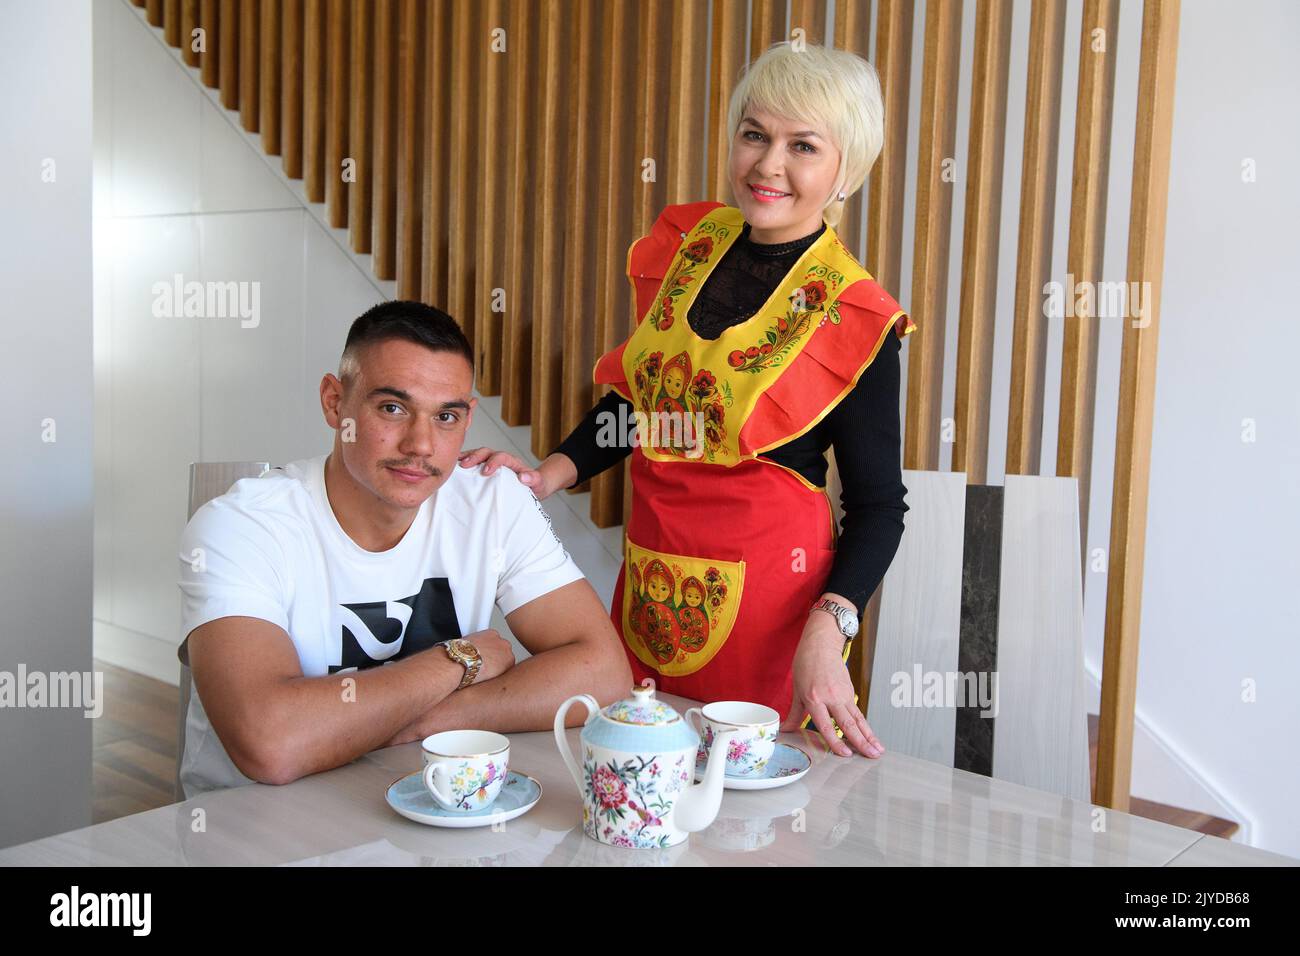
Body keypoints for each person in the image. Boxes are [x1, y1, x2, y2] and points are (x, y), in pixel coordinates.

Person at [459, 43, 916, 760]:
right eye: (754, 133)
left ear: (845, 169)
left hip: (772, 610)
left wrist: (831, 627)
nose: (768, 164)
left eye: (803, 146)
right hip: (650, 583)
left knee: (744, 817)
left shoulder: (855, 315)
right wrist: (549, 473)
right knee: (631, 779)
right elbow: (647, 405)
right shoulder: (689, 247)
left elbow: (880, 505)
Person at [177, 301, 632, 796]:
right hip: (252, 830)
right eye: (393, 408)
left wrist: (410, 720)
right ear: (335, 402)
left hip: (418, 802)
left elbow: (604, 672)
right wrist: (459, 659)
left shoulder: (492, 500)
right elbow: (271, 744)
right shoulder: (240, 525)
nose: (421, 443)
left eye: (446, 416)